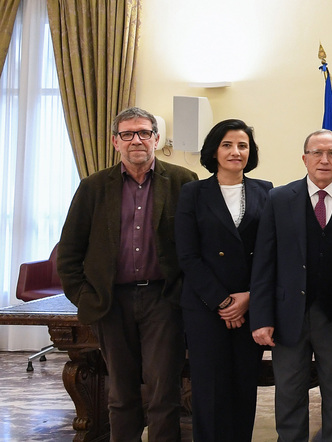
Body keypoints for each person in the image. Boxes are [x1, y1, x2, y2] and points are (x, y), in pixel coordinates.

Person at [56, 107, 198, 441]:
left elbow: (198, 247)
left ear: (156, 138)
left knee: (165, 391)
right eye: (128, 134)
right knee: (120, 393)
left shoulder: (182, 182)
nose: (137, 140)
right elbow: (70, 251)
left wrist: (183, 293)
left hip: (163, 301)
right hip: (111, 301)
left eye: (144, 133)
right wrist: (85, 296)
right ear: (115, 142)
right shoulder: (93, 187)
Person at [251, 129, 332, 442]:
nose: (324, 159)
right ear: (305, 158)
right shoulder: (279, 199)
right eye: (317, 152)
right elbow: (264, 263)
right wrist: (261, 318)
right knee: (288, 390)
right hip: (289, 315)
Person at [176, 119, 273, 441]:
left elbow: (269, 252)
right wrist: (223, 301)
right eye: (228, 145)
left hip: (250, 305)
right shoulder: (192, 192)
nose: (236, 152)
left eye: (242, 145)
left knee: (244, 385)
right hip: (206, 307)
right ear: (214, 151)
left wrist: (248, 298)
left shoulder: (266, 190)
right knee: (210, 389)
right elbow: (188, 255)